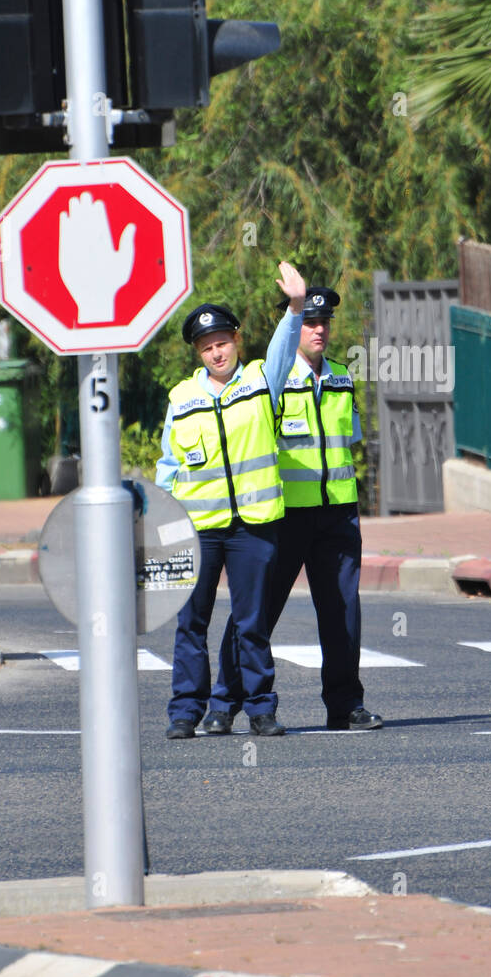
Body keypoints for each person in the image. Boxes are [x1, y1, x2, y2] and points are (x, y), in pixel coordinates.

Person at [218, 286, 383, 731]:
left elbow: (347, 442)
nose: (319, 330)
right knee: (257, 613)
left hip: (337, 514)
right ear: (294, 328)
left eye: (325, 322)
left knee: (343, 612)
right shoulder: (268, 380)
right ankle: (223, 703)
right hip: (283, 516)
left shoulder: (341, 378)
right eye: (310, 322)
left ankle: (345, 704)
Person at [156, 261, 306, 739]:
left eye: (222, 342)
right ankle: (185, 712)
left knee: (252, 623)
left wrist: (297, 306)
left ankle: (261, 708)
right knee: (191, 622)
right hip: (197, 529)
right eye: (206, 347)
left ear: (236, 341)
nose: (216, 352)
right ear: (198, 354)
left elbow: (285, 345)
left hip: (253, 527)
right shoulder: (181, 398)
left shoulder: (262, 379)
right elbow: (168, 466)